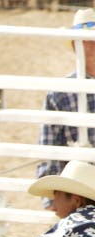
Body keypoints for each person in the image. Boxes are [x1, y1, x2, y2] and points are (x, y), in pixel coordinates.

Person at [36, 9, 95, 210]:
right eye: (85, 41)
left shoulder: (60, 91)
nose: (91, 46)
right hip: (80, 189)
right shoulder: (60, 92)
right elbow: (51, 148)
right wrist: (53, 199)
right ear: (75, 46)